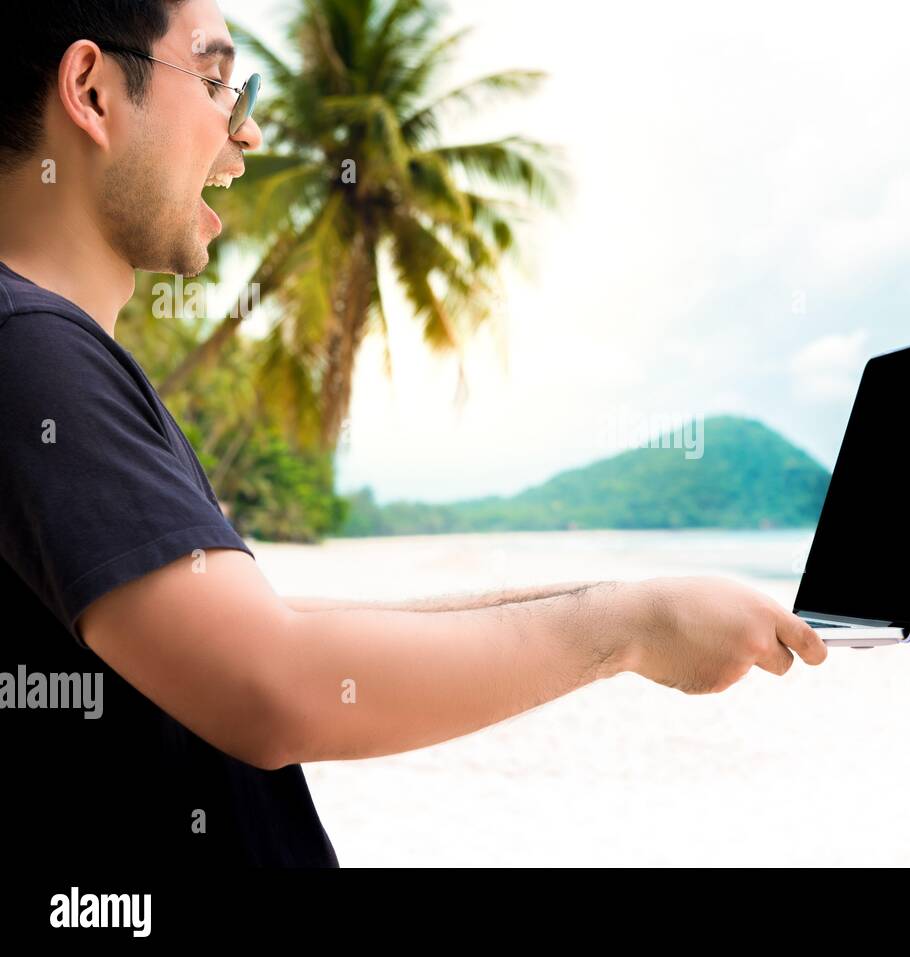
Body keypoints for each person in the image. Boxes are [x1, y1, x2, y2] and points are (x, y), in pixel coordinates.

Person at [0, 0, 828, 868]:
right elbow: (273, 683)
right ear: (92, 91)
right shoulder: (30, 354)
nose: (243, 136)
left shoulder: (50, 354)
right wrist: (629, 629)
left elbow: (270, 625)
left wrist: (633, 604)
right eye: (215, 83)